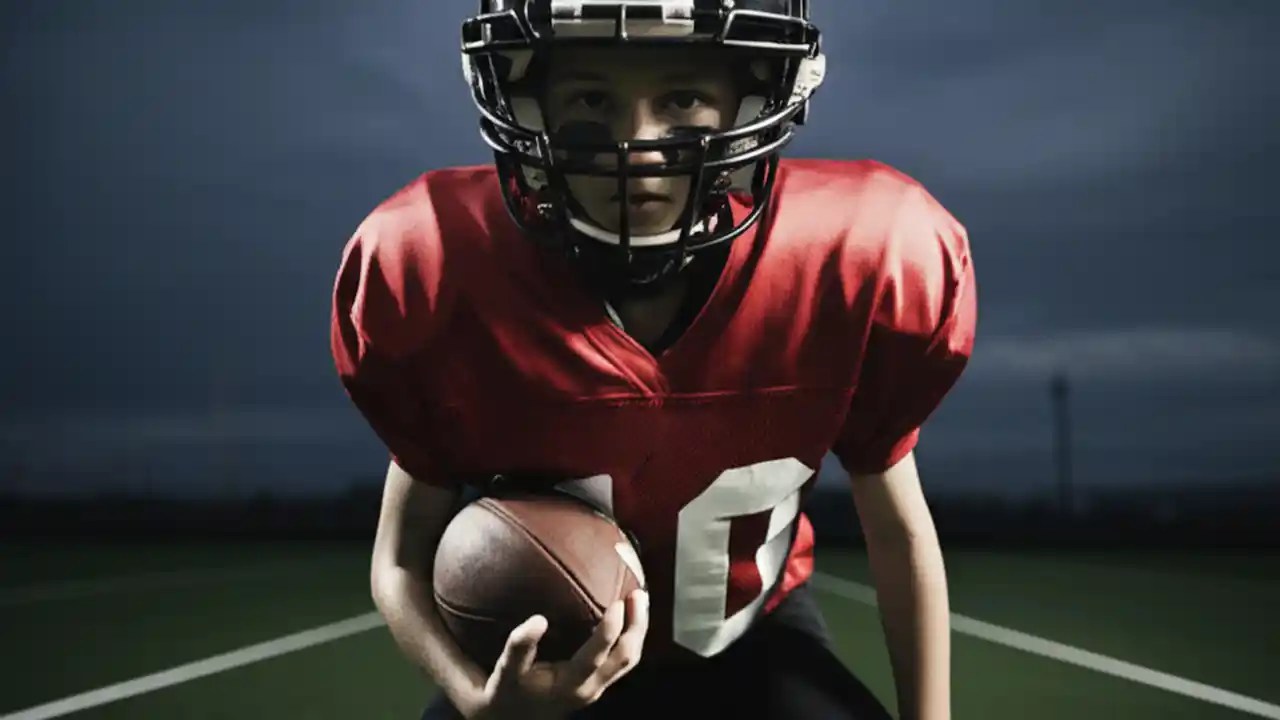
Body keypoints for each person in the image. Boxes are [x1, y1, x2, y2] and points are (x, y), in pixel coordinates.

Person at [330, 2, 976, 719]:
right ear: (527, 101)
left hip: (753, 641)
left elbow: (897, 529)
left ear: (751, 98)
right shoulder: (440, 265)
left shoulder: (851, 260)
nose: (636, 144)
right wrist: (473, 694)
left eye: (682, 97)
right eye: (592, 99)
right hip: (542, 660)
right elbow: (397, 560)